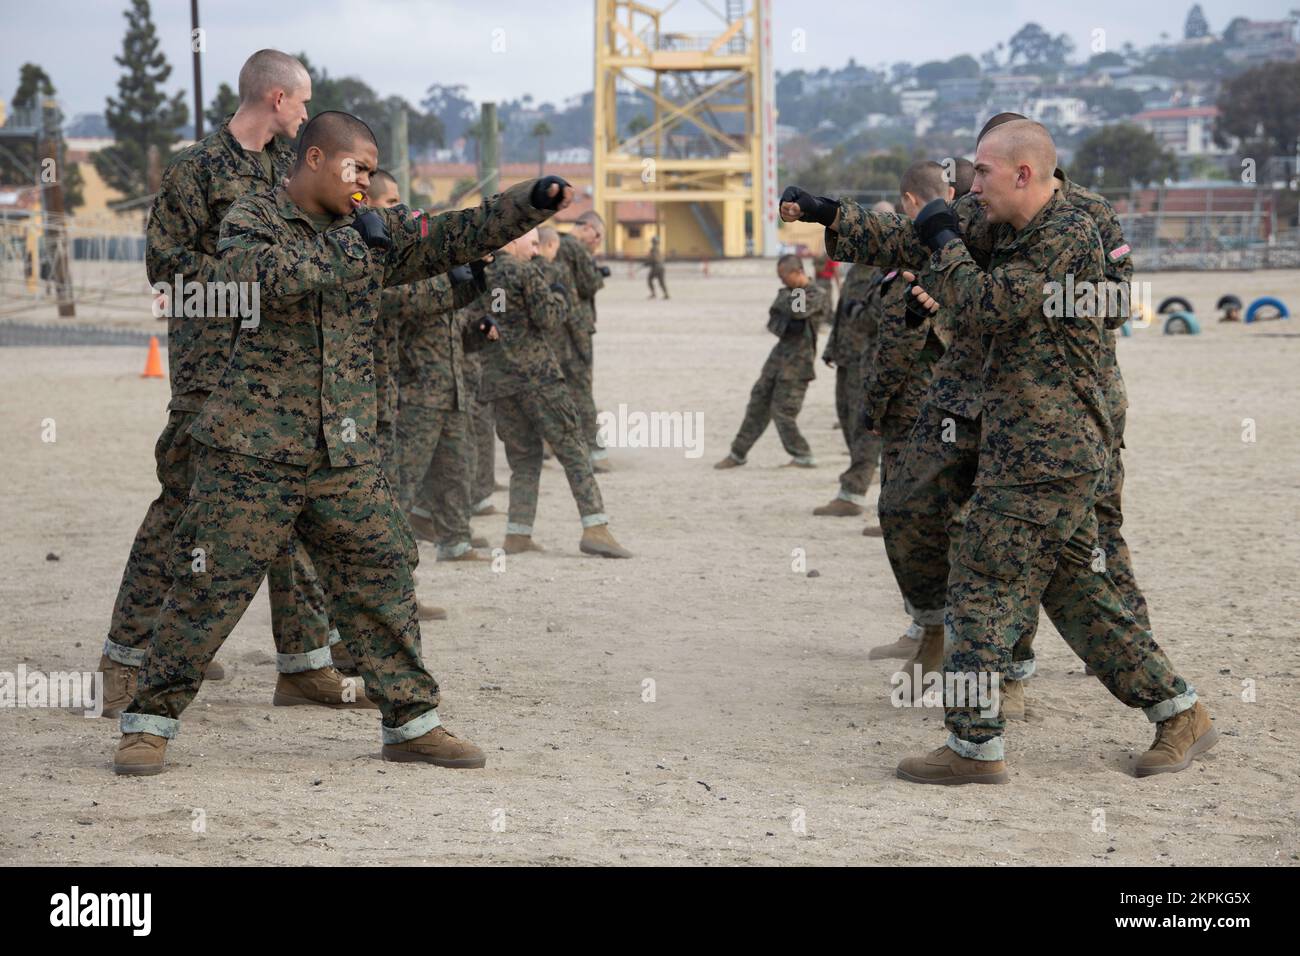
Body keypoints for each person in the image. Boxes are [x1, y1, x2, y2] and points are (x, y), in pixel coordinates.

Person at [110, 110, 571, 775]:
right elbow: (262, 277)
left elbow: (452, 232)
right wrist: (362, 244)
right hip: (253, 452)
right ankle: (148, 723)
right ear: (317, 158)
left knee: (383, 577)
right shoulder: (253, 219)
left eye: (371, 172)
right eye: (356, 168)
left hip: (343, 452)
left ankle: (412, 723)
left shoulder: (372, 228)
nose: (365, 182)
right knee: (206, 587)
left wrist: (529, 202)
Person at [781, 119, 1217, 784]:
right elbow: (913, 237)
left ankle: (973, 745)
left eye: (982, 173)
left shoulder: (1070, 230)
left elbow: (989, 302)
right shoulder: (991, 217)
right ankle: (1178, 711)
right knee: (1074, 592)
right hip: (1007, 435)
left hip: (1053, 446)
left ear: (1024, 174)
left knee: (982, 582)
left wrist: (944, 243)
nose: (970, 184)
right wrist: (829, 214)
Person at [100, 50, 362, 716]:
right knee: (182, 505)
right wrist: (246, 281)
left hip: (279, 367)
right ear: (275, 98)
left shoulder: (284, 169)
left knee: (293, 506)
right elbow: (167, 267)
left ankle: (304, 665)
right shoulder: (197, 169)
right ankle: (125, 660)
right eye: (303, 101)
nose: (308, 114)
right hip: (209, 370)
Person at [479, 228, 632, 558]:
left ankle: (517, 533)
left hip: (500, 382)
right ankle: (596, 527)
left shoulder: (482, 274)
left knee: (523, 458)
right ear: (512, 240)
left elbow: (484, 320)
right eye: (532, 243)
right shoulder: (523, 271)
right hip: (537, 378)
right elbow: (549, 319)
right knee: (573, 449)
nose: (536, 251)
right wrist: (560, 296)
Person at [813, 202, 892, 519]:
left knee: (866, 428)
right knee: (846, 419)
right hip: (846, 356)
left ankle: (852, 492)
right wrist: (832, 346)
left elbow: (879, 318)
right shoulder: (859, 263)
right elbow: (844, 311)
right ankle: (862, 473)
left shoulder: (886, 265)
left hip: (869, 358)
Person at [714, 255, 829, 470]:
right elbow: (774, 323)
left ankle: (803, 455)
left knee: (783, 411)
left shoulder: (817, 293)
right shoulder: (788, 292)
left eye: (784, 276)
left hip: (798, 364)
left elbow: (797, 312)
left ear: (797, 272)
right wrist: (789, 306)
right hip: (777, 359)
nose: (781, 282)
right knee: (757, 403)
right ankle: (737, 453)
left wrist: (794, 295)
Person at [555, 212, 610, 470]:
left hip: (557, 327)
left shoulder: (558, 244)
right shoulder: (575, 248)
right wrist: (598, 274)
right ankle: (596, 451)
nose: (597, 242)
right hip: (575, 328)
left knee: (559, 388)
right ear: (587, 228)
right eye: (598, 236)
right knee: (581, 389)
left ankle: (555, 445)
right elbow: (587, 285)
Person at [644, 235, 668, 299]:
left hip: (656, 267)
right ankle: (666, 294)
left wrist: (647, 263)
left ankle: (653, 293)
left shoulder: (653, 249)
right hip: (662, 267)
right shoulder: (659, 249)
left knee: (650, 279)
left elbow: (653, 258)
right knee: (661, 282)